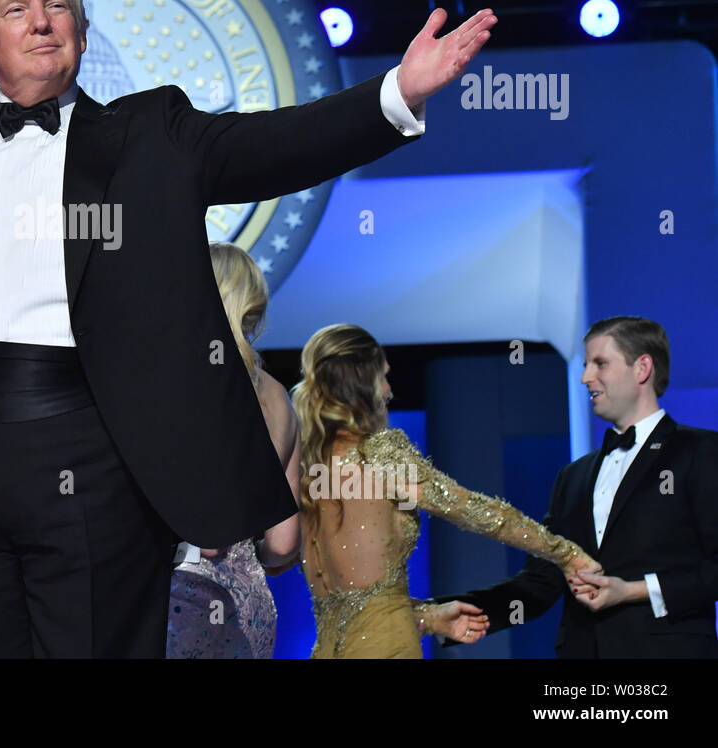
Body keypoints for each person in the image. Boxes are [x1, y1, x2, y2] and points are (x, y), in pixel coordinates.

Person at [0, 0, 498, 657]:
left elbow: (279, 142)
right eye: (17, 9)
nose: (43, 22)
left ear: (83, 37)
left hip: (98, 458)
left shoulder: (154, 136)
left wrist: (398, 91)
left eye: (59, 7)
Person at [292, 323, 599, 658]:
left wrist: (430, 617)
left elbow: (357, 605)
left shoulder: (305, 472)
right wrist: (564, 554)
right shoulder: (381, 454)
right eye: (383, 376)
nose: (390, 390)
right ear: (363, 383)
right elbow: (475, 512)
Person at [437, 316, 718, 658]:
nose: (586, 378)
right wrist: (448, 613)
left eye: (600, 363)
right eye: (586, 365)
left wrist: (633, 591)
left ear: (642, 368)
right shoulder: (573, 477)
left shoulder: (701, 452)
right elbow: (541, 582)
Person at [166, 242, 300, 658]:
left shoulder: (179, 384)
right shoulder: (279, 398)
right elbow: (283, 543)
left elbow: (205, 539)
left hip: (183, 597)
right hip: (252, 606)